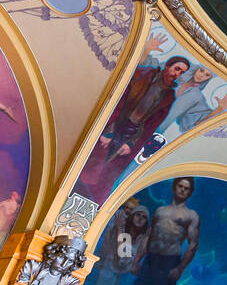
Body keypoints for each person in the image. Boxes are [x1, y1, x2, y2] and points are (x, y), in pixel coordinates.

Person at [76, 55, 190, 198]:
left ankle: (87, 195)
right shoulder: (142, 75)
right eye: (177, 69)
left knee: (109, 169)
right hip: (115, 122)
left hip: (132, 133)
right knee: (91, 158)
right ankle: (74, 186)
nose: (177, 74)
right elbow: (118, 101)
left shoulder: (168, 96)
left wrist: (131, 143)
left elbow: (151, 125)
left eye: (181, 73)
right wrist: (109, 130)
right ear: (167, 65)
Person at [112, 177, 200, 285]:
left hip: (169, 263)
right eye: (180, 186)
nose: (182, 190)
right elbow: (149, 235)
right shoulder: (160, 211)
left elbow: (192, 245)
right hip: (150, 261)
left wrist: (179, 269)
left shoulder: (191, 216)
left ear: (190, 192)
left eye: (186, 188)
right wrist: (136, 261)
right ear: (174, 187)